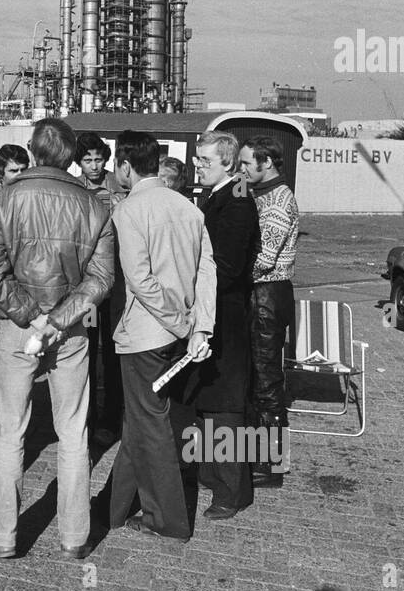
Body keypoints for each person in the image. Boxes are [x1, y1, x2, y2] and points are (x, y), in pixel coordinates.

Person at [0, 118, 114, 560]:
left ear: (32, 153)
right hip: (72, 329)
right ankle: (75, 537)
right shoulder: (94, 206)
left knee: (8, 432)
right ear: (73, 156)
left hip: (18, 328)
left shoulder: (4, 198)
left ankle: (2, 536)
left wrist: (32, 317)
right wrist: (56, 321)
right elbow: (101, 279)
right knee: (73, 432)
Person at [106, 130, 216, 542]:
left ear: (125, 166)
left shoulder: (129, 210)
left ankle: (167, 519)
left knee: (149, 425)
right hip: (176, 333)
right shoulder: (188, 207)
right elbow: (208, 272)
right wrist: (197, 325)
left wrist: (184, 325)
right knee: (141, 421)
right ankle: (114, 507)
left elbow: (140, 281)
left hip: (146, 335)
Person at [190, 131, 259, 519]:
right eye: (198, 159)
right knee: (211, 400)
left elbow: (228, 266)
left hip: (226, 318)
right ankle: (213, 474)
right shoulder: (216, 196)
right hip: (212, 312)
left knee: (227, 407)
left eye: (205, 161)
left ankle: (232, 492)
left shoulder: (237, 203)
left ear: (228, 164)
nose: (198, 166)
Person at [238, 135, 299, 489]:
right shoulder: (263, 194)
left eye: (247, 163)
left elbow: (265, 258)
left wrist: (230, 274)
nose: (243, 170)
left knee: (266, 380)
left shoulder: (278, 200)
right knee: (258, 378)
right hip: (262, 295)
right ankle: (256, 456)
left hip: (267, 294)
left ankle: (272, 464)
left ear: (267, 163)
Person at [74, 132, 124, 447]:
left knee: (114, 353)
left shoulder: (118, 187)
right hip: (83, 285)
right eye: (88, 160)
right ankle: (86, 420)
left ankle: (112, 419)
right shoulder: (73, 188)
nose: (94, 166)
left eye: (98, 159)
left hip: (114, 282)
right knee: (85, 354)